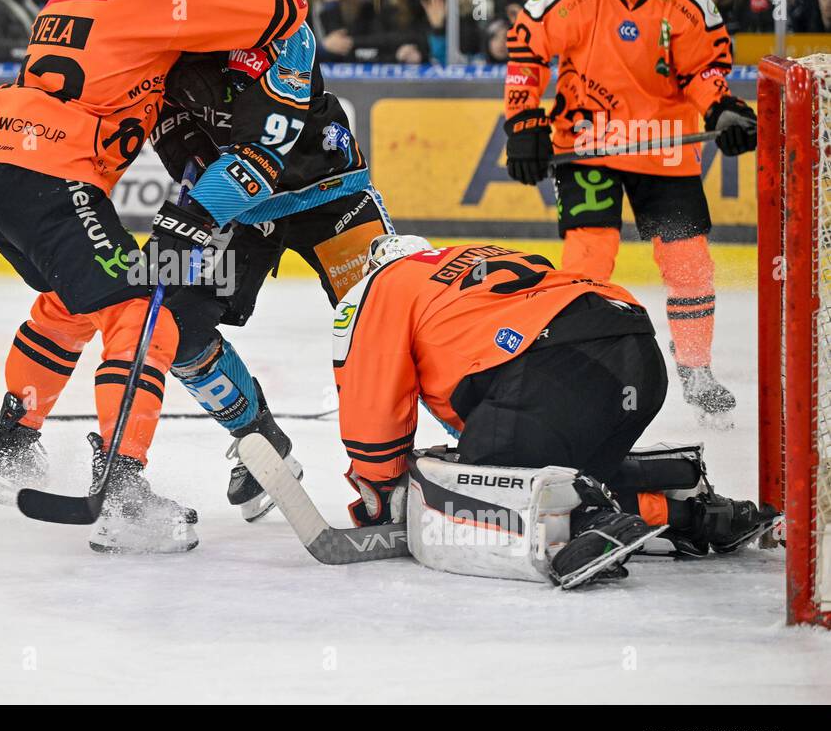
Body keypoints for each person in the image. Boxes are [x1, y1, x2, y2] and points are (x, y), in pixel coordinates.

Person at [0, 0, 308, 554]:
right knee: (142, 311)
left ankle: (10, 442)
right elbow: (268, 13)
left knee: (71, 300)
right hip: (49, 171)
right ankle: (123, 488)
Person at [330, 235, 779, 584]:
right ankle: (695, 511)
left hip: (555, 364)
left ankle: (587, 523)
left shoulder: (380, 286)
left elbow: (373, 400)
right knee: (552, 467)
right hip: (635, 354)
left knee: (485, 478)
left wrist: (382, 490)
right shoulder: (470, 258)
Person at [149, 0, 387, 520]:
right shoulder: (178, 23)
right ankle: (259, 439)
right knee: (174, 323)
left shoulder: (290, 27)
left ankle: (390, 473)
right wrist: (192, 188)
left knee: (382, 327)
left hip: (326, 194)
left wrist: (192, 218)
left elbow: (263, 152)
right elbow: (168, 123)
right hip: (241, 207)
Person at [503, 0, 757, 426]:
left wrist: (721, 110)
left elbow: (706, 69)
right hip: (588, 144)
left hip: (664, 148)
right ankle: (580, 365)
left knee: (688, 264)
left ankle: (695, 367)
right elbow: (526, 47)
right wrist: (523, 122)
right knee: (588, 263)